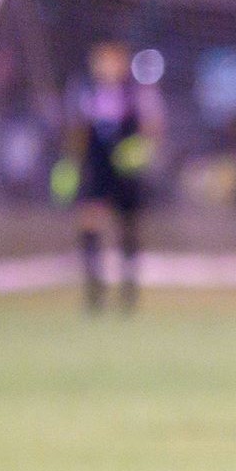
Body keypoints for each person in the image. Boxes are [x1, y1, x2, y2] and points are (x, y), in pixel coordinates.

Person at [68, 41, 164, 313]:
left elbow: (153, 127)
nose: (107, 66)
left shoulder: (137, 94)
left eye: (113, 61)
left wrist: (142, 151)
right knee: (90, 223)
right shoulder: (86, 92)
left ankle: (128, 290)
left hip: (126, 172)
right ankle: (94, 289)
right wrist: (73, 162)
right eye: (102, 61)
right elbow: (77, 131)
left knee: (127, 227)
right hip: (97, 167)